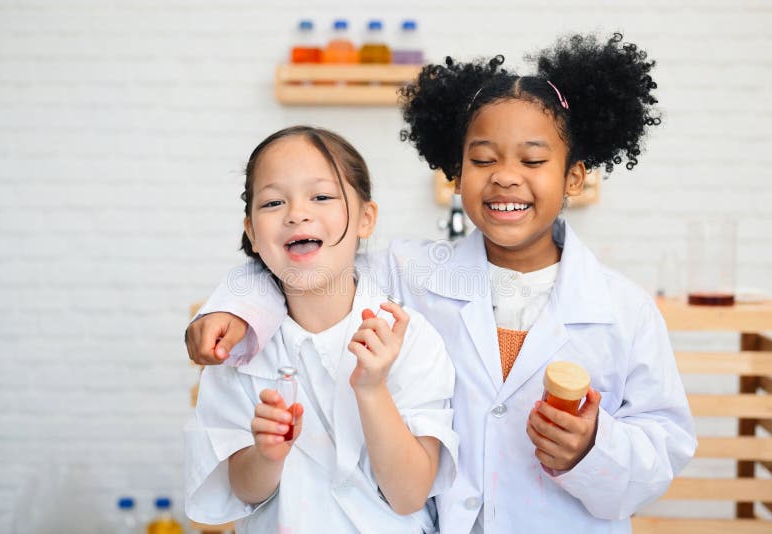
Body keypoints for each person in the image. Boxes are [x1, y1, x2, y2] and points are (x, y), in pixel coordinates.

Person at [186, 34, 696, 533]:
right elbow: (305, 264)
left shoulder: (625, 309)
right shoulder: (411, 272)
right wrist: (232, 310)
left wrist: (591, 448)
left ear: (574, 178)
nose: (505, 177)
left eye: (534, 161)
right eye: (482, 160)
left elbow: (664, 445)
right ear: (455, 174)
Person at [184, 126, 458, 533]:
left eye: (322, 196)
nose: (297, 213)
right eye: (274, 202)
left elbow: (409, 494)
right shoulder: (239, 353)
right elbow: (244, 489)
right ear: (253, 234)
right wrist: (267, 454)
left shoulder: (411, 338)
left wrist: (372, 388)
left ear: (366, 218)